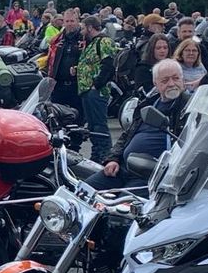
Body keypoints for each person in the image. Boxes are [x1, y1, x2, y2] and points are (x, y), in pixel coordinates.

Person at [91, 59, 188, 189]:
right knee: (83, 193)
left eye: (176, 78)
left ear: (182, 80)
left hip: (150, 174)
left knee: (123, 206)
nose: (171, 84)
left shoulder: (188, 107)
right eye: (165, 80)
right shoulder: (148, 103)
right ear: (156, 83)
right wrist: (113, 159)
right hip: (123, 168)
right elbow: (127, 135)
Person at [74, 16, 118, 160]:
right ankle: (97, 154)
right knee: (93, 126)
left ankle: (105, 155)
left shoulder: (103, 42)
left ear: (90, 27)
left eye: (82, 28)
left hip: (96, 91)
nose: (81, 31)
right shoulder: (92, 43)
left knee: (99, 125)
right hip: (87, 91)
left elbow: (108, 65)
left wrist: (96, 84)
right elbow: (92, 63)